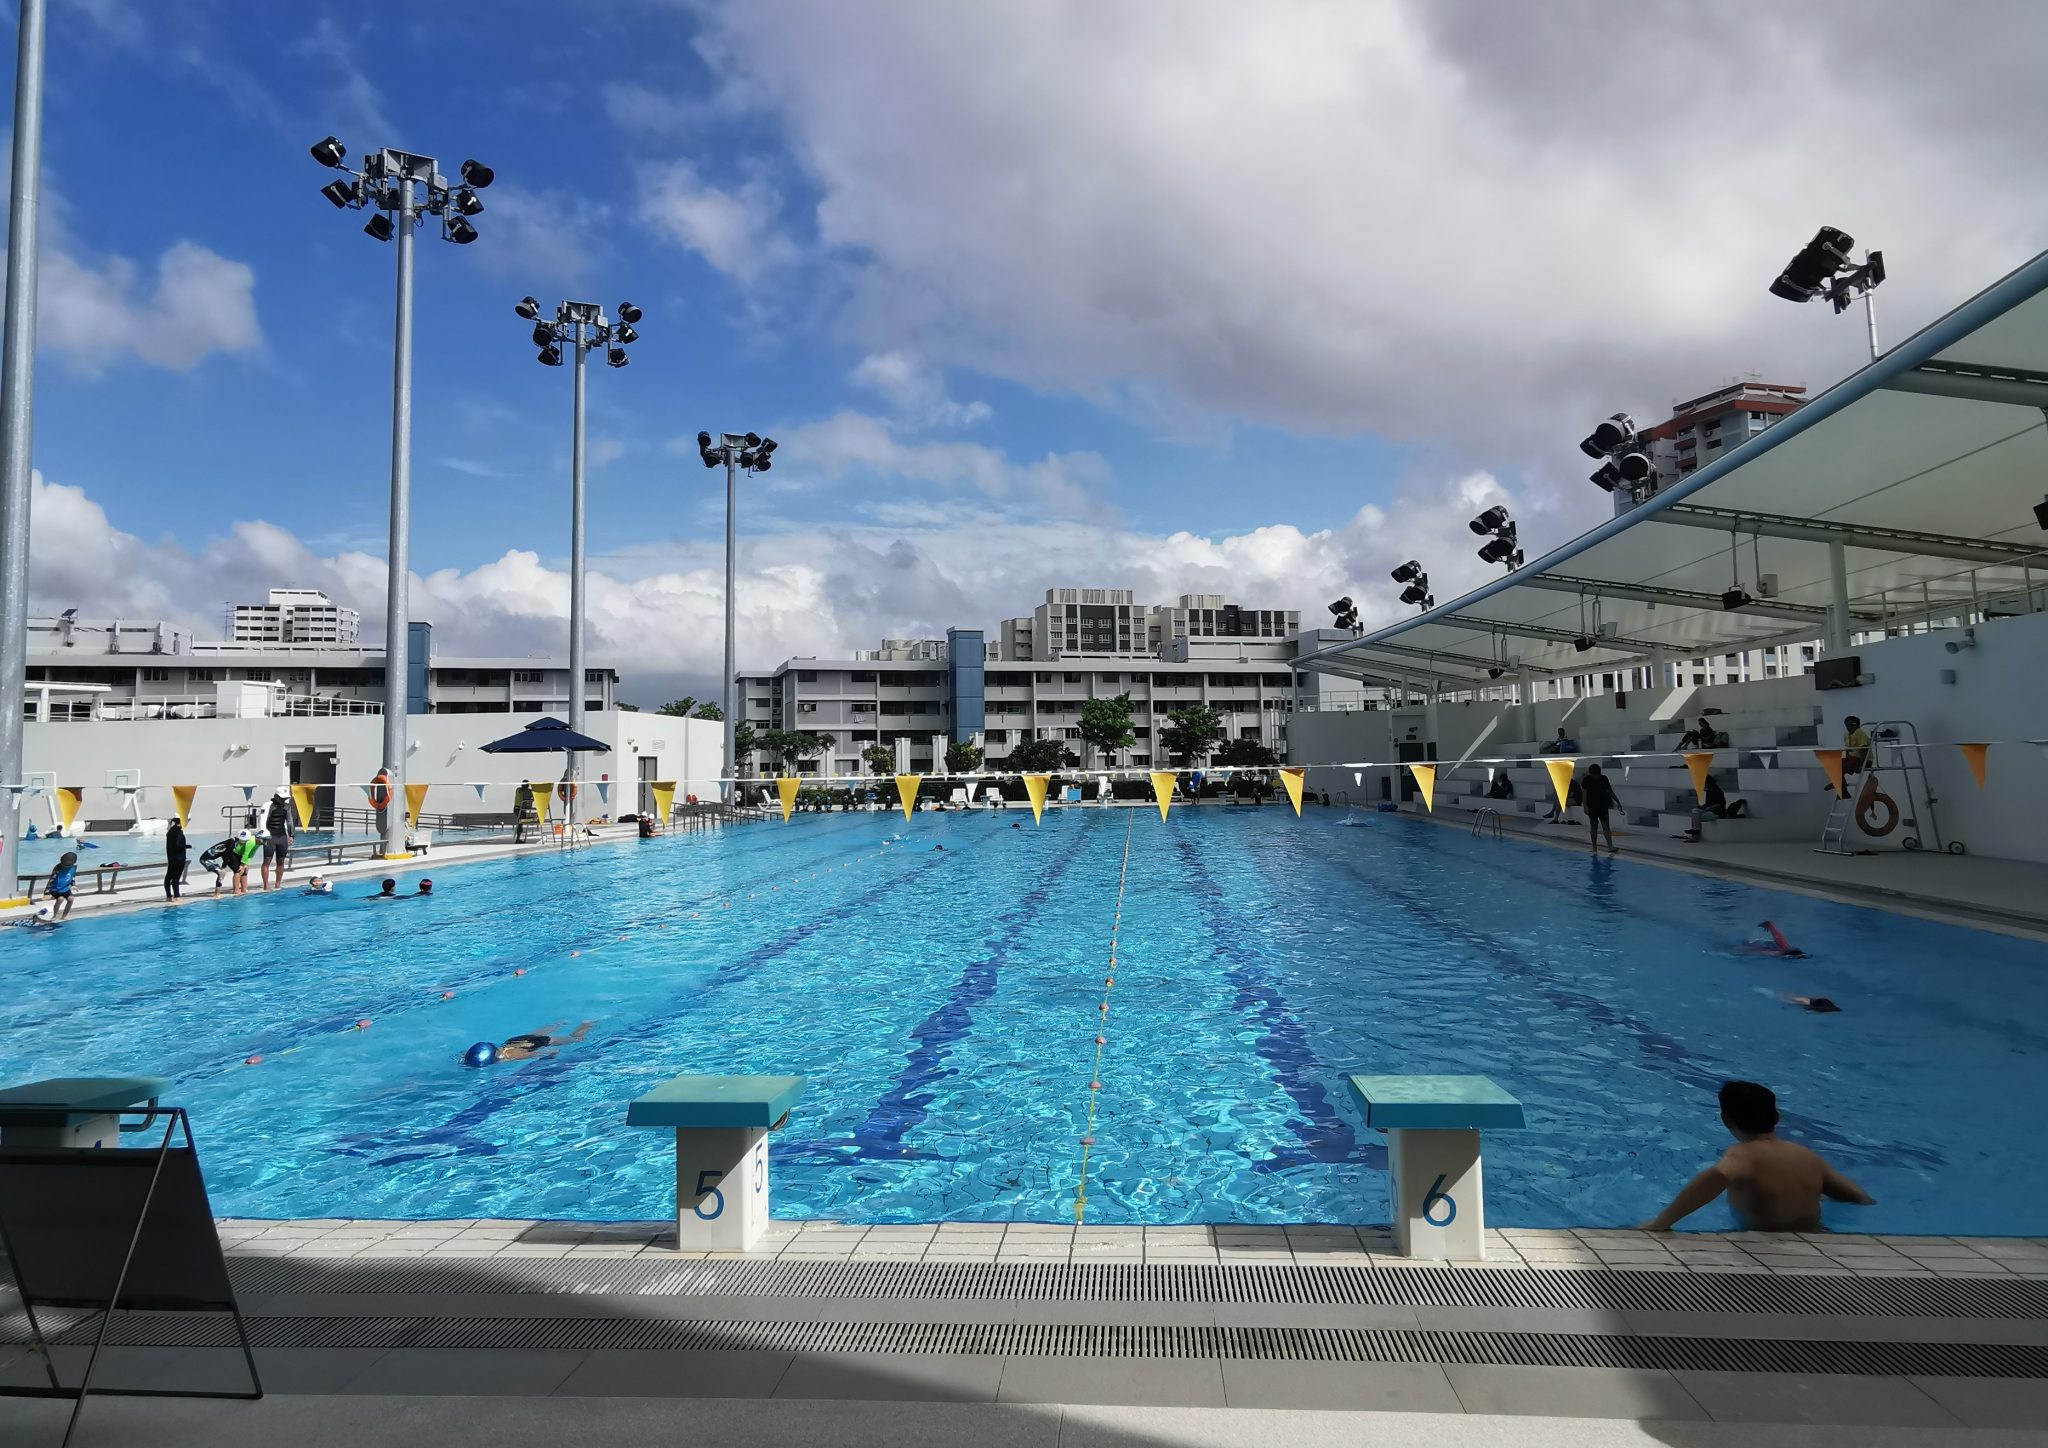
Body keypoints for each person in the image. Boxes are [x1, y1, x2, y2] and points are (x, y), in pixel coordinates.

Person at [1640, 1080, 1873, 1232]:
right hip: (1815, 1237)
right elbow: (1858, 1196)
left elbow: (1719, 1174)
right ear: (1777, 1117)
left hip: (1766, 1245)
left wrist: (1662, 1222)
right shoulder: (1806, 1156)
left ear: (1726, 1120)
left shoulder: (1743, 1154)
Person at [1682, 774, 1747, 841]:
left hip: (1716, 813)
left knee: (1696, 817)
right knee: (1695, 811)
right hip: (1709, 810)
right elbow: (1708, 804)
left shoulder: (1718, 791)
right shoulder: (1709, 791)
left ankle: (1695, 835)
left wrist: (1707, 809)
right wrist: (1702, 807)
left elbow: (1719, 805)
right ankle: (1695, 830)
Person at [495, 1020, 594, 1062]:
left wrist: (548, 1054)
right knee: (536, 1035)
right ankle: (559, 1023)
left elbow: (533, 1054)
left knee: (575, 1039)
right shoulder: (499, 1048)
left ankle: (586, 1024)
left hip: (538, 1043)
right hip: (515, 1041)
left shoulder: (509, 1056)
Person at [260, 788, 295, 891]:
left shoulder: (287, 806)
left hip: (282, 836)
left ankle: (278, 884)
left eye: (285, 798)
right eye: (281, 798)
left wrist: (291, 835)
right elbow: (262, 820)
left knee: (281, 860)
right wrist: (263, 835)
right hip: (270, 836)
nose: (283, 800)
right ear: (276, 796)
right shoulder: (267, 805)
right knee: (267, 860)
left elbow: (290, 821)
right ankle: (266, 886)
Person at [1582, 763, 1617, 854]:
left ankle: (1610, 846)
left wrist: (1618, 801)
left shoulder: (1603, 778)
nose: (1596, 776)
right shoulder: (1586, 780)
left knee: (1606, 826)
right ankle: (1594, 847)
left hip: (1602, 805)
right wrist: (1585, 806)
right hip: (1592, 806)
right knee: (1594, 827)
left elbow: (1610, 791)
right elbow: (1584, 793)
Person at [1739, 920, 1807, 958]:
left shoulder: (1782, 950)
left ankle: (1770, 925)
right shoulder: (1778, 952)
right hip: (1783, 952)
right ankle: (1770, 925)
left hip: (1783, 951)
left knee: (1783, 948)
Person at [43, 851, 79, 920]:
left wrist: (73, 885)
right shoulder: (58, 868)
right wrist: (46, 893)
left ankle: (64, 916)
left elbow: (72, 877)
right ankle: (54, 915)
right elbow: (51, 880)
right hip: (55, 889)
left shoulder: (73, 867)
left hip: (65, 888)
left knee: (71, 899)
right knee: (60, 899)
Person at [1842, 715, 1873, 785]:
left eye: (1851, 724)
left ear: (1858, 725)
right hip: (1853, 760)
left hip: (1863, 760)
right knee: (1836, 765)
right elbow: (1848, 750)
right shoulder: (1846, 735)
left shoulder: (1859, 733)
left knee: (1839, 766)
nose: (1848, 726)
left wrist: (1862, 765)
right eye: (1846, 725)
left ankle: (1841, 786)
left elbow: (1864, 750)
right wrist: (1847, 761)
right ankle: (1841, 787)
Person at [163, 819, 189, 901]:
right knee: (176, 877)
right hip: (179, 858)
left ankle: (168, 896)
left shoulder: (170, 831)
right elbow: (177, 845)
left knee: (169, 876)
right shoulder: (178, 832)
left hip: (171, 858)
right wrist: (188, 846)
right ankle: (177, 896)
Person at [230, 829, 261, 895]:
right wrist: (242, 865)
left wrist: (246, 864)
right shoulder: (251, 842)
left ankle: (244, 889)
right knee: (238, 871)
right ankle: (236, 890)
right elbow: (246, 853)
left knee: (245, 872)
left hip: (241, 855)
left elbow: (252, 853)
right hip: (234, 854)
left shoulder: (258, 843)